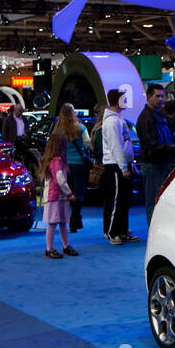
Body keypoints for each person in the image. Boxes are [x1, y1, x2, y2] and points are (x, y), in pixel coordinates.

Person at [136, 84, 175, 227]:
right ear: (149, 96)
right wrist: (173, 147)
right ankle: (154, 234)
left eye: (162, 96)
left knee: (162, 201)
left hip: (162, 164)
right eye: (157, 96)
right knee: (153, 202)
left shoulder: (157, 114)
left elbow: (167, 130)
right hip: (153, 165)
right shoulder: (145, 118)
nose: (160, 99)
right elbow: (152, 144)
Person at [100, 89, 137, 245]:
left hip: (122, 165)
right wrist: (123, 167)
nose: (126, 101)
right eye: (124, 98)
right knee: (115, 201)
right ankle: (112, 232)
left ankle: (122, 231)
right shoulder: (111, 122)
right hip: (115, 166)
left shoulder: (118, 119)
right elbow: (116, 146)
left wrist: (129, 164)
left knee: (123, 200)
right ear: (117, 100)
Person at [38, 119, 78, 259]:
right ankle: (50, 249)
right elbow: (60, 179)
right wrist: (70, 194)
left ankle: (65, 246)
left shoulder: (51, 160)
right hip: (55, 196)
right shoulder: (57, 161)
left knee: (60, 222)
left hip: (57, 196)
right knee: (54, 223)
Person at [57, 103, 92, 233]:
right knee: (79, 192)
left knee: (70, 193)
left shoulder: (58, 130)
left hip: (65, 165)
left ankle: (74, 218)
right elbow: (88, 145)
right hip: (79, 164)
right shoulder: (81, 128)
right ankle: (76, 218)